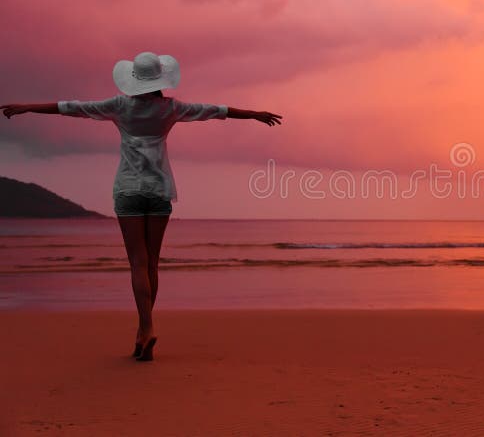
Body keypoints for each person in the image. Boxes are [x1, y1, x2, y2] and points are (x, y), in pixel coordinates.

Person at [1, 51, 282, 362]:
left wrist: (27, 107)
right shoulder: (171, 108)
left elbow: (71, 108)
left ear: (134, 80)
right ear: (161, 79)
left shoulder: (119, 106)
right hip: (159, 190)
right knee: (151, 263)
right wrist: (254, 113)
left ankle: (146, 328)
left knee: (137, 263)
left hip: (128, 190)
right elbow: (217, 111)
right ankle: (144, 328)